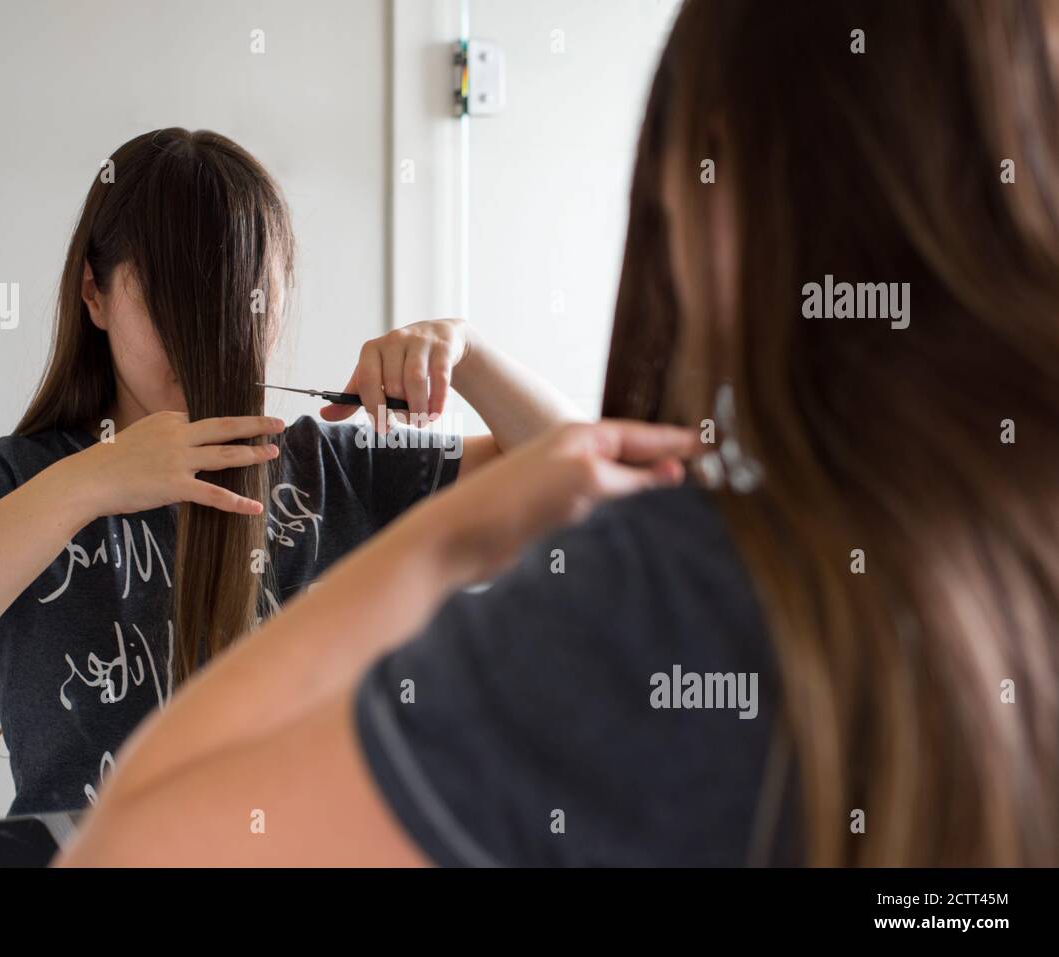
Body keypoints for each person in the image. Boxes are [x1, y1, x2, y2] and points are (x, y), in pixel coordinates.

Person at [58, 0, 1059, 866]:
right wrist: (90, 483)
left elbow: (127, 850)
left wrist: (457, 479)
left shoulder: (665, 592)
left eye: (241, 293)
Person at [0, 128, 581, 816]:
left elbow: (601, 502)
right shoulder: (20, 480)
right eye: (172, 301)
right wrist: (92, 481)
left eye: (241, 302)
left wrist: (470, 357)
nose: (207, 336)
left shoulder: (333, 470)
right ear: (93, 294)